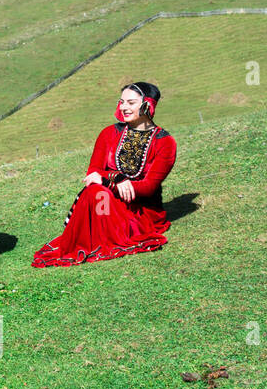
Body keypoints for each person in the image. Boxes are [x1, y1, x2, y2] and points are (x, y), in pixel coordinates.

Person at [32, 82, 175, 267]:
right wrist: (117, 179)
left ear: (148, 105)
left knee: (100, 191)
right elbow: (93, 172)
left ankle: (100, 238)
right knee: (95, 192)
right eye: (121, 102)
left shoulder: (164, 142)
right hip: (108, 200)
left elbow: (148, 188)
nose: (124, 107)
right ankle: (96, 238)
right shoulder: (109, 133)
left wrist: (109, 181)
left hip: (139, 211)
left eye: (131, 103)